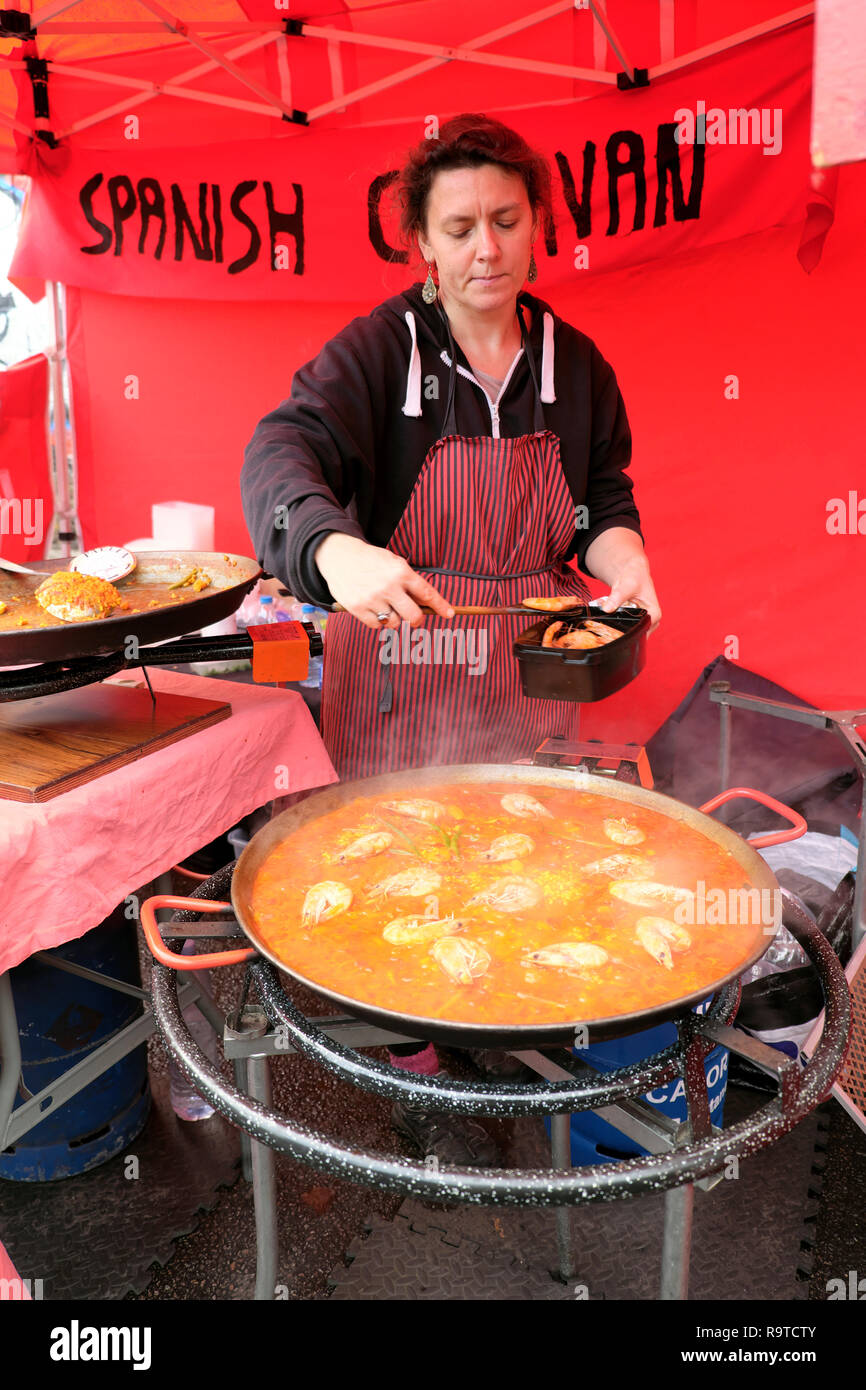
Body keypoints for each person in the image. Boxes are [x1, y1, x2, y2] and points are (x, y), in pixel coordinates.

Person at [242, 113, 661, 1166]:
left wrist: (623, 566)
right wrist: (336, 553)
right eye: (460, 226)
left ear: (537, 225)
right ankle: (413, 1061)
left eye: (506, 221)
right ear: (420, 243)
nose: (487, 248)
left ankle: (499, 1032)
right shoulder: (381, 351)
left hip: (523, 673)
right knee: (405, 880)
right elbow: (278, 450)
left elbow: (600, 499)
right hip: (399, 676)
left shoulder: (578, 362)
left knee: (511, 865)